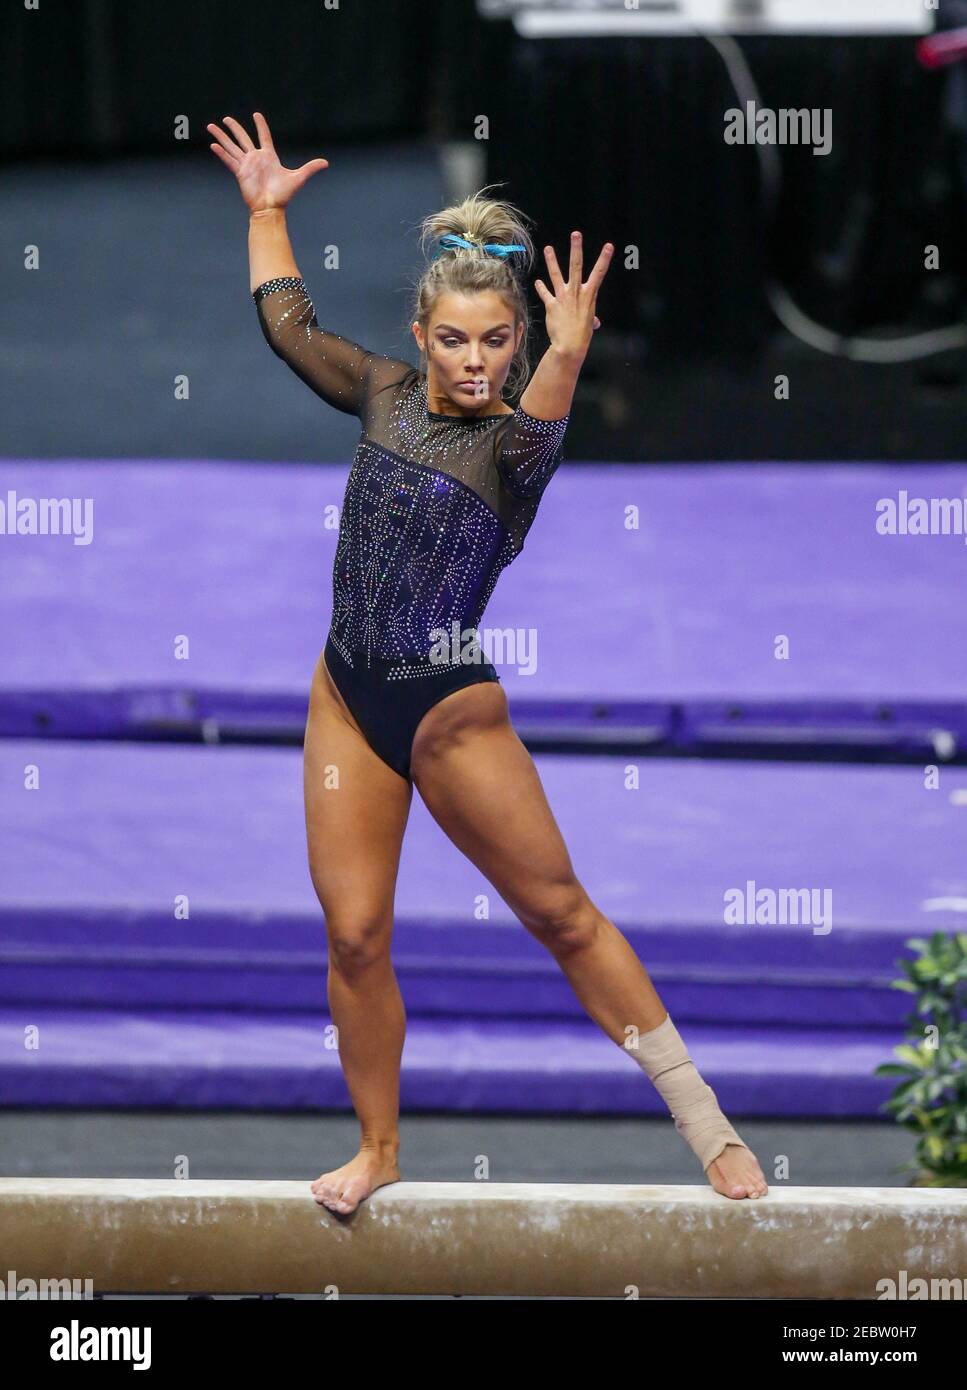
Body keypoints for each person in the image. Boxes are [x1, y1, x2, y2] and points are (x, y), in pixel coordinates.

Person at [208, 111, 769, 1212]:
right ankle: (377, 1148)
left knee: (560, 913)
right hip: (345, 695)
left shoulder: (513, 447)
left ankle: (706, 1126)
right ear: (421, 335)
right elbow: (287, 325)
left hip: (447, 709)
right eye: (456, 339)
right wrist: (268, 213)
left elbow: (550, 407)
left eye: (496, 341)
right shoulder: (379, 392)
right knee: (356, 933)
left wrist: (564, 348)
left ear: (515, 343)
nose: (475, 361)